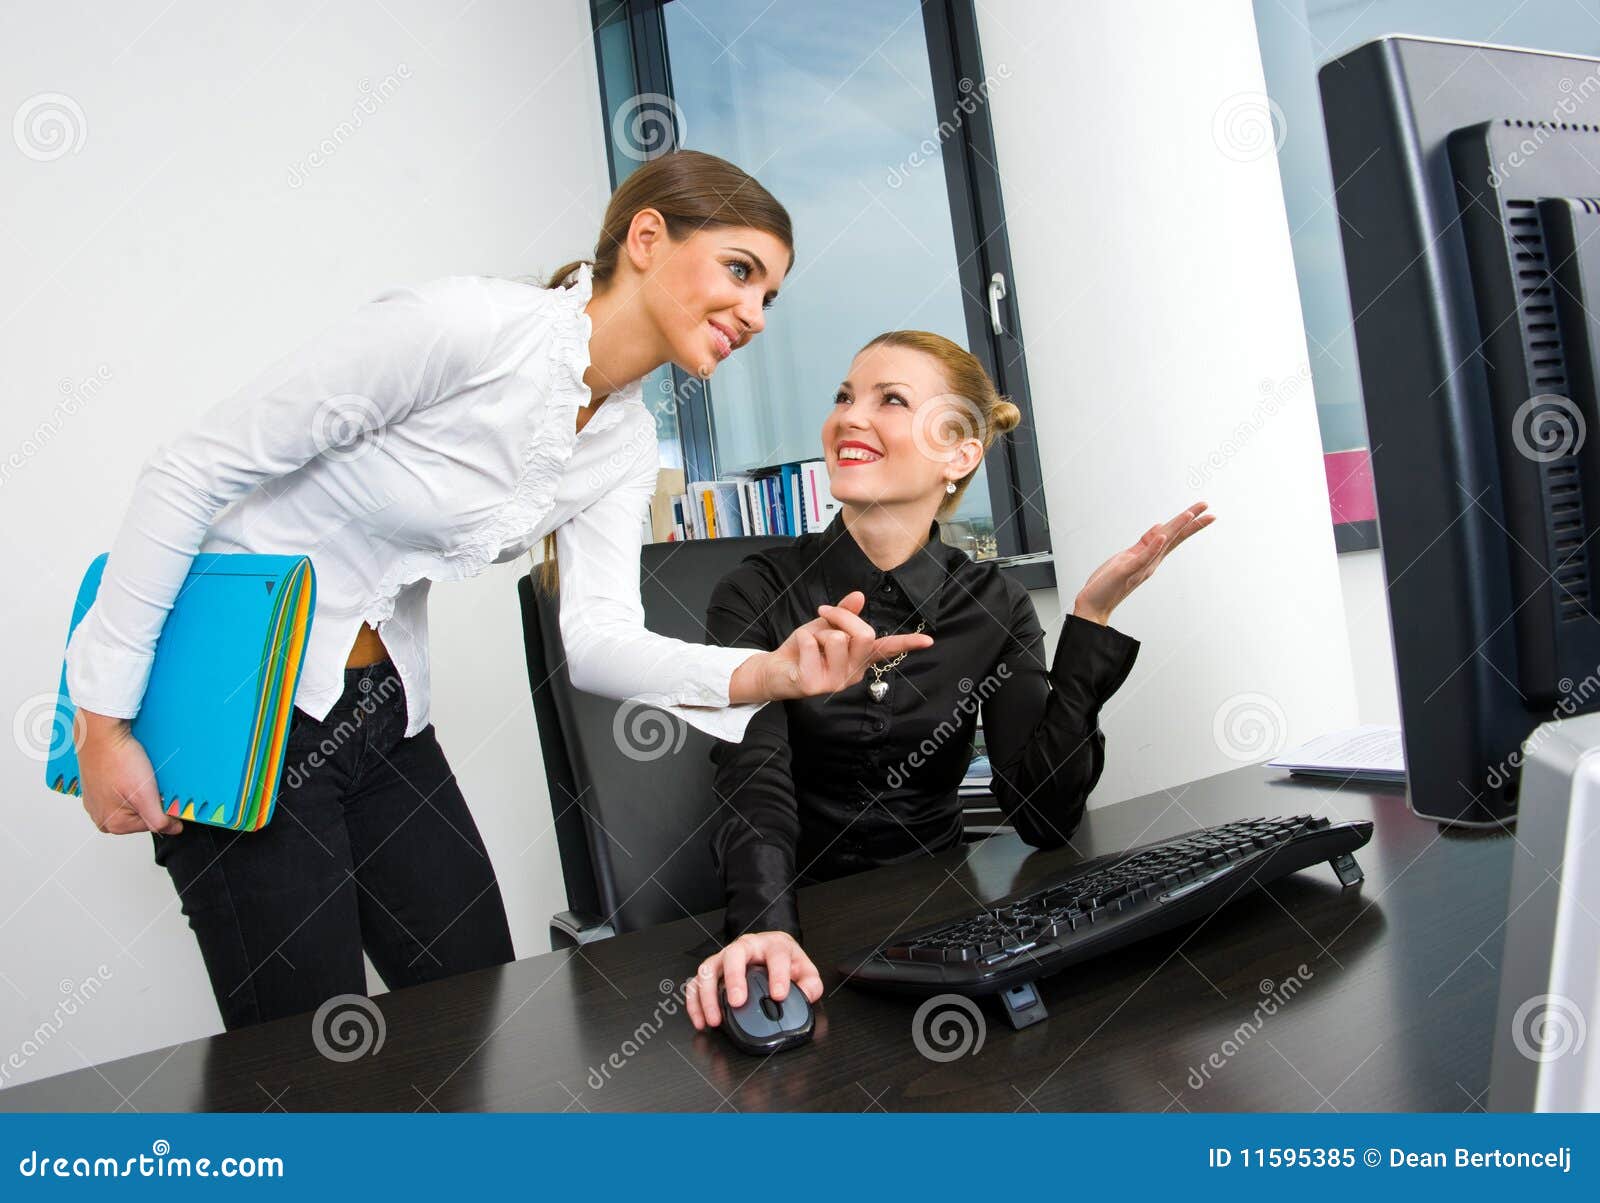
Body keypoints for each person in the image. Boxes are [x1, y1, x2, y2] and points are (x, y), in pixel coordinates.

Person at [64, 150, 931, 1030]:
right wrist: (103, 721)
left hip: (386, 714)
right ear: (645, 238)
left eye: (770, 297)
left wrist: (771, 673)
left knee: (475, 1021)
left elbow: (594, 638)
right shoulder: (463, 326)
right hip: (249, 709)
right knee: (299, 1068)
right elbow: (191, 472)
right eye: (741, 272)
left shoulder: (622, 442)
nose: (754, 314)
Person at [683, 329, 1213, 1030]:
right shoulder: (754, 592)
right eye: (845, 396)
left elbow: (1043, 813)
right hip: (786, 922)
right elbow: (755, 778)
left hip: (942, 928)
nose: (849, 417)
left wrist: (1090, 621)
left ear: (959, 454)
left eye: (890, 400)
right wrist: (764, 927)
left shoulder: (994, 604)